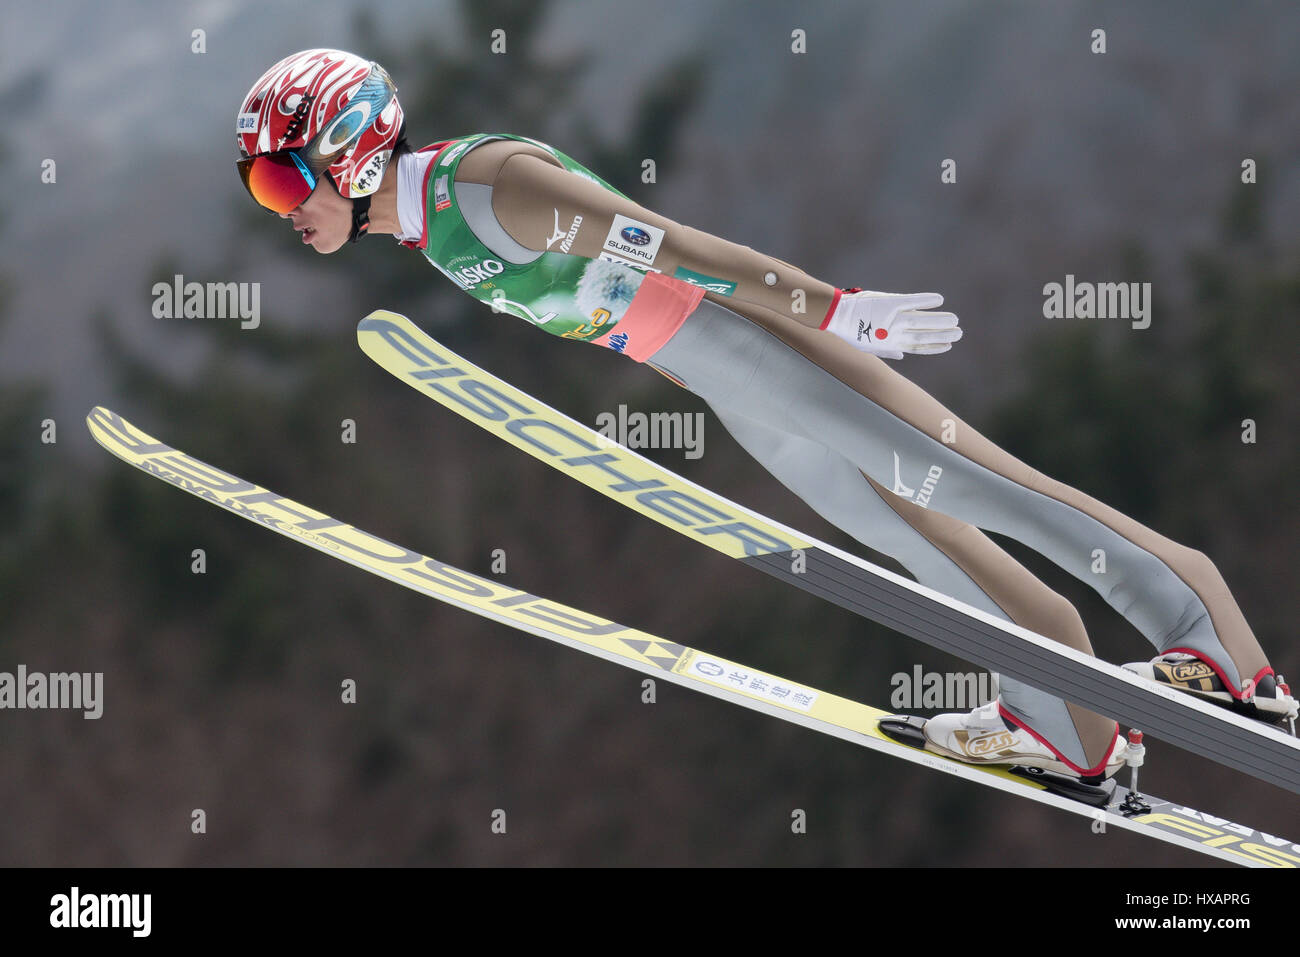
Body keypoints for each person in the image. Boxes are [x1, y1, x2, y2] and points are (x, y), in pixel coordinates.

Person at [235, 48, 1295, 785]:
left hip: (773, 351)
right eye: (263, 194)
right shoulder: (431, 230)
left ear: (352, 147)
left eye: (286, 185)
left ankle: (1212, 644)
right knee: (897, 529)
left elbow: (679, 247)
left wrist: (837, 312)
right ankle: (1069, 723)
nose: (284, 213)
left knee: (982, 487)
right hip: (728, 384)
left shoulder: (487, 191)